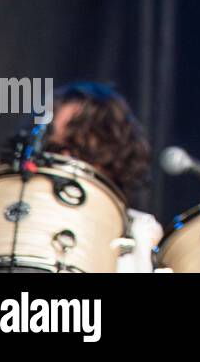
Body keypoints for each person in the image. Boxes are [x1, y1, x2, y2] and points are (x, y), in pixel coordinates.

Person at [43, 81, 161, 272]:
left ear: (112, 148)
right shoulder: (32, 220)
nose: (63, 159)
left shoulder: (141, 232)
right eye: (54, 149)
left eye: (76, 149)